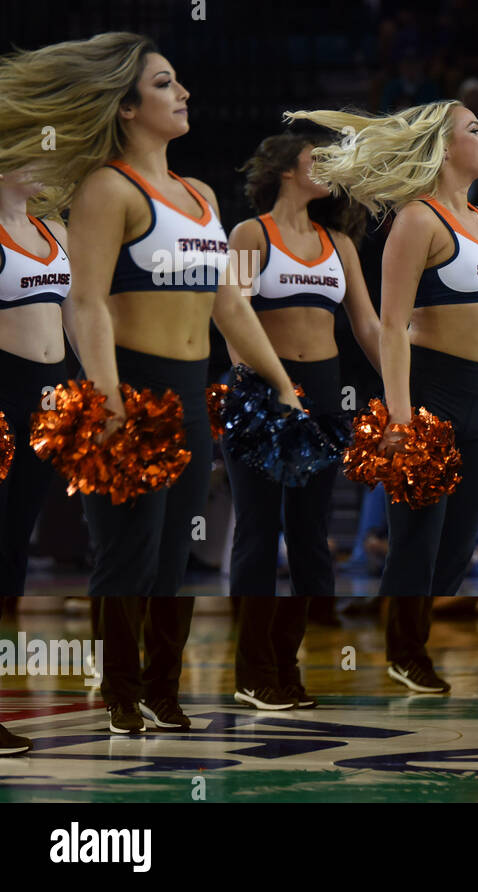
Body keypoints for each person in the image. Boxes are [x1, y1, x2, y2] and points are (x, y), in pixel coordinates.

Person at [0, 33, 305, 734]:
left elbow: (231, 303)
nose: (184, 93)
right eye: (166, 84)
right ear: (130, 108)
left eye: (178, 82)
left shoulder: (199, 195)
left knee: (174, 557)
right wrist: (106, 399)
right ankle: (120, 696)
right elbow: (87, 302)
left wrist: (282, 382)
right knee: (125, 556)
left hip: (192, 394)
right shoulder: (107, 188)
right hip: (128, 391)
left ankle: (162, 692)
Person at [289, 100, 478, 692]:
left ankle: (408, 642)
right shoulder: (418, 220)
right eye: (474, 130)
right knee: (416, 540)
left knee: (461, 543)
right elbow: (391, 327)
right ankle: (403, 653)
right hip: (428, 392)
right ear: (444, 149)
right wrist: (401, 414)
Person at [225, 131, 381, 709]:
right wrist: (254, 391)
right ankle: (251, 671)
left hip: (323, 395)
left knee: (312, 541)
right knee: (259, 534)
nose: (330, 170)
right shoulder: (250, 234)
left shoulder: (338, 242)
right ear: (287, 171)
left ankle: (285, 664)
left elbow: (366, 325)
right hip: (264, 393)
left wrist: (396, 385)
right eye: (320, 161)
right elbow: (232, 315)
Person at [0, 165, 71, 598]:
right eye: (31, 156)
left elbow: (76, 312)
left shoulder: (55, 230)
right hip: (4, 385)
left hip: (52, 392)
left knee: (19, 528)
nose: (45, 165)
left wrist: (101, 377)